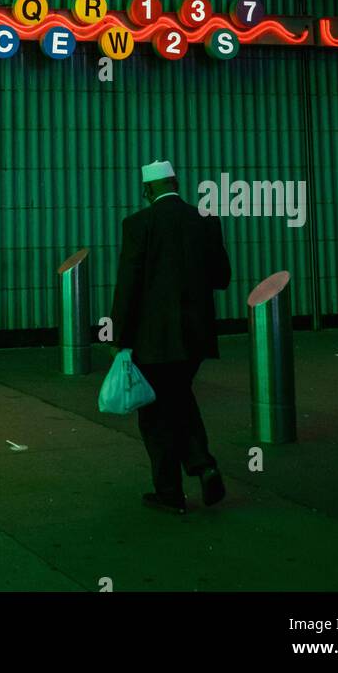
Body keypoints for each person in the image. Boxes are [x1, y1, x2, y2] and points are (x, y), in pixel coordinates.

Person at [110, 159, 232, 515]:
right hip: (195, 337)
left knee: (155, 414)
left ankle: (173, 489)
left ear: (147, 191)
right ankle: (200, 466)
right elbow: (222, 277)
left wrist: (119, 336)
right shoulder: (205, 221)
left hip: (153, 339)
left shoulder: (138, 224)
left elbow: (128, 285)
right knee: (176, 396)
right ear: (176, 182)